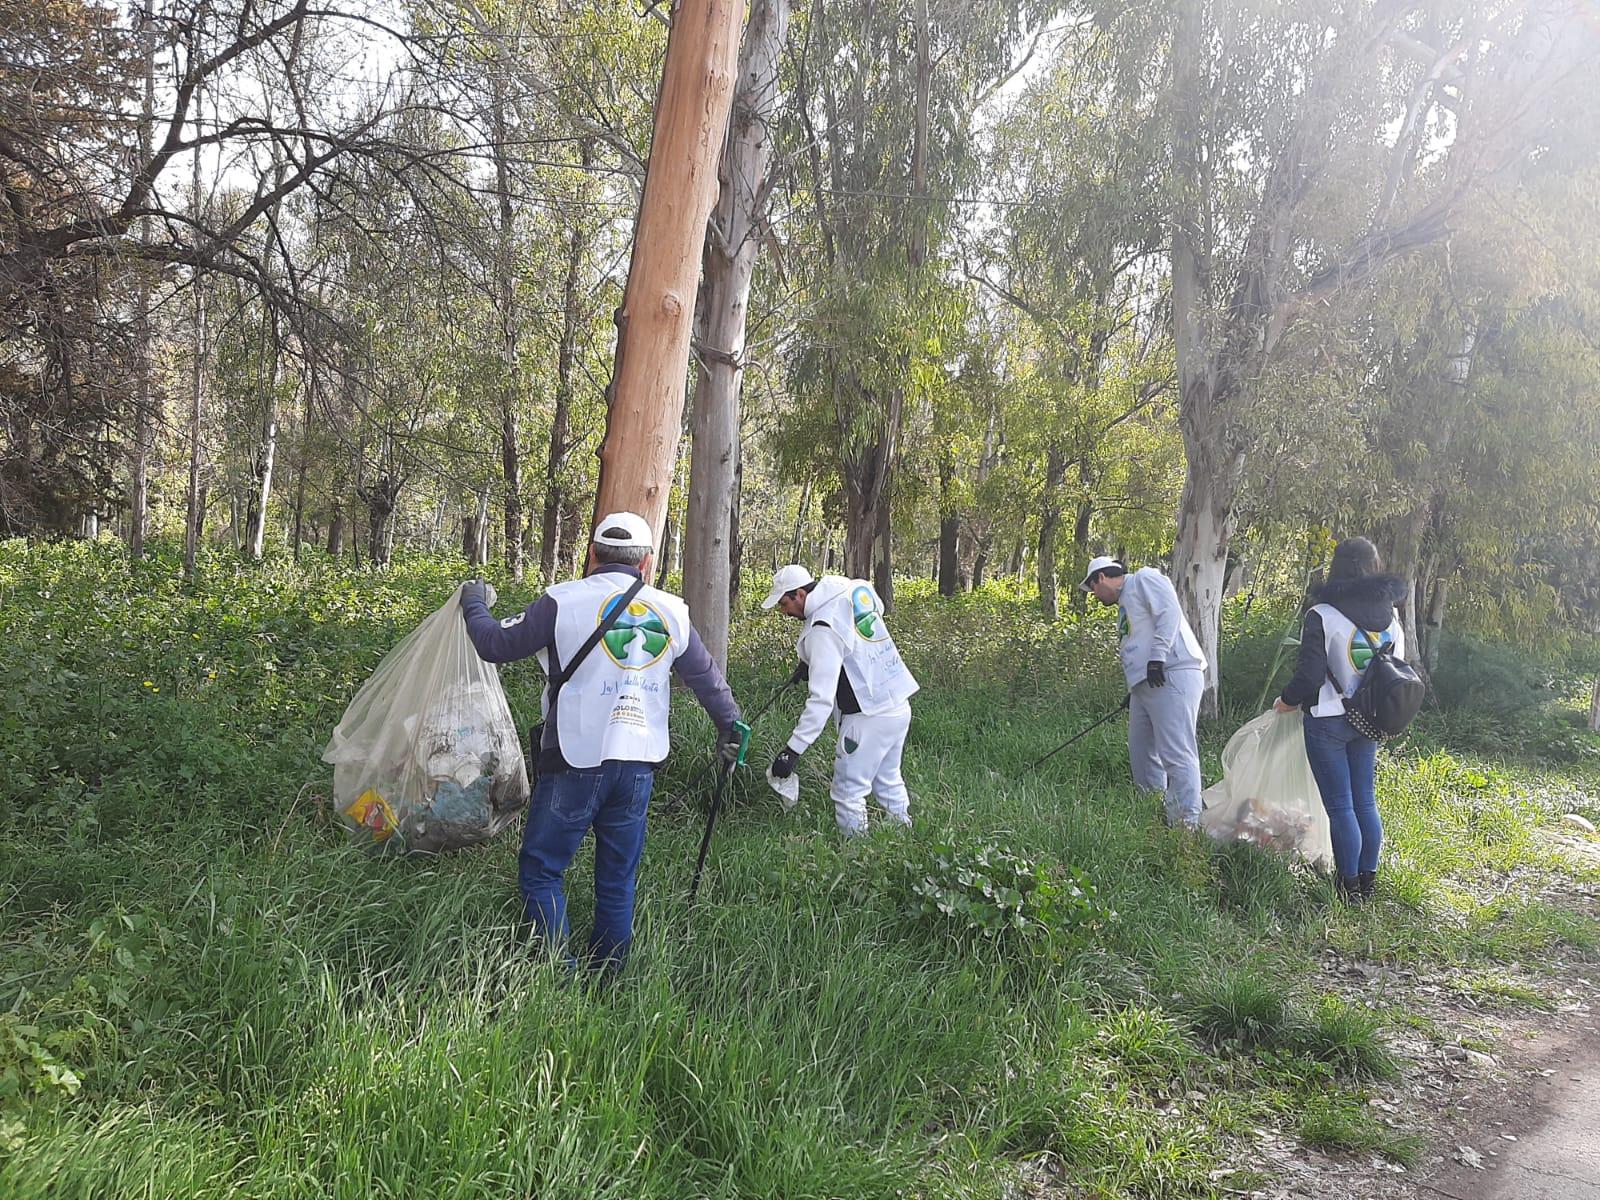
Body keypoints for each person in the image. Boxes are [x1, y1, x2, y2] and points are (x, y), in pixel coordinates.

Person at [460, 511, 742, 970]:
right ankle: (609, 973)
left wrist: (473, 602)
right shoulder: (672, 611)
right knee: (617, 876)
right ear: (647, 563)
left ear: (592, 555)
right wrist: (731, 728)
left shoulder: (561, 601)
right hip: (638, 764)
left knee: (542, 869)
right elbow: (708, 680)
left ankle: (559, 972)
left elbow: (494, 644)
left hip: (574, 756)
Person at [1273, 537, 1407, 903]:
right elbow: (1399, 666)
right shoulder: (1392, 616)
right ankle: (1367, 882)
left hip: (1328, 722)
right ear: (1375, 565)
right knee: (1365, 802)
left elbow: (1310, 677)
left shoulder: (1322, 615)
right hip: (1370, 721)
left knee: (1341, 807)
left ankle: (1346, 886)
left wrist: (1286, 701)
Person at [761, 565, 919, 835]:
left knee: (848, 793)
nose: (784, 612)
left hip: (866, 718)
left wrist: (792, 751)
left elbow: (820, 700)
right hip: (897, 703)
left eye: (785, 604)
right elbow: (873, 612)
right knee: (888, 780)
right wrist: (813, 661)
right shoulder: (853, 587)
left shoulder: (823, 629)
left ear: (800, 594)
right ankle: (904, 840)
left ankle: (857, 858)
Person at [1082, 555, 1208, 829]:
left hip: (1172, 672)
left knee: (1176, 751)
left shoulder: (1143, 579)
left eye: (1092, 587)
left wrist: (1157, 658)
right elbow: (1138, 640)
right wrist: (1135, 685)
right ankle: (1154, 815)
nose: (1094, 595)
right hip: (1146, 684)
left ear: (1101, 578)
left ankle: (1185, 825)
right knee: (1142, 752)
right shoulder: (1125, 605)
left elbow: (1169, 612)